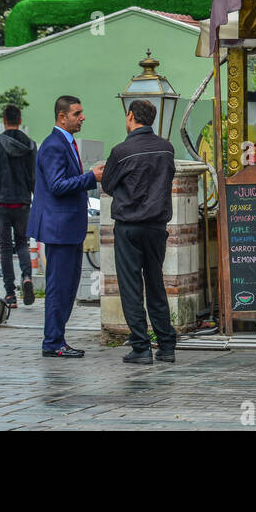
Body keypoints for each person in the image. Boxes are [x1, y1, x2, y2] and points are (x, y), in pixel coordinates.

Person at [100, 99, 177, 365]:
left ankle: (141, 347)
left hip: (129, 226)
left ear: (130, 115)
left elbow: (108, 184)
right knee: (156, 283)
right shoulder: (166, 149)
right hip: (156, 226)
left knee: (131, 287)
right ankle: (166, 345)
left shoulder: (121, 151)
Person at [29, 96, 103, 358]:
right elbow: (57, 186)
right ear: (62, 117)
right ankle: (53, 342)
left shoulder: (66, 143)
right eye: (77, 113)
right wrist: (90, 178)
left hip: (69, 228)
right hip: (58, 228)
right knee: (59, 286)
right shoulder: (53, 146)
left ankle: (58, 338)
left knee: (68, 286)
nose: (82, 117)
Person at [0, 103, 38, 309]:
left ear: (3, 121)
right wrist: (36, 199)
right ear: (20, 121)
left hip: (2, 202)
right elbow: (34, 176)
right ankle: (27, 277)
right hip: (23, 202)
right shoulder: (30, 145)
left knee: (5, 248)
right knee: (22, 243)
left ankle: (10, 294)